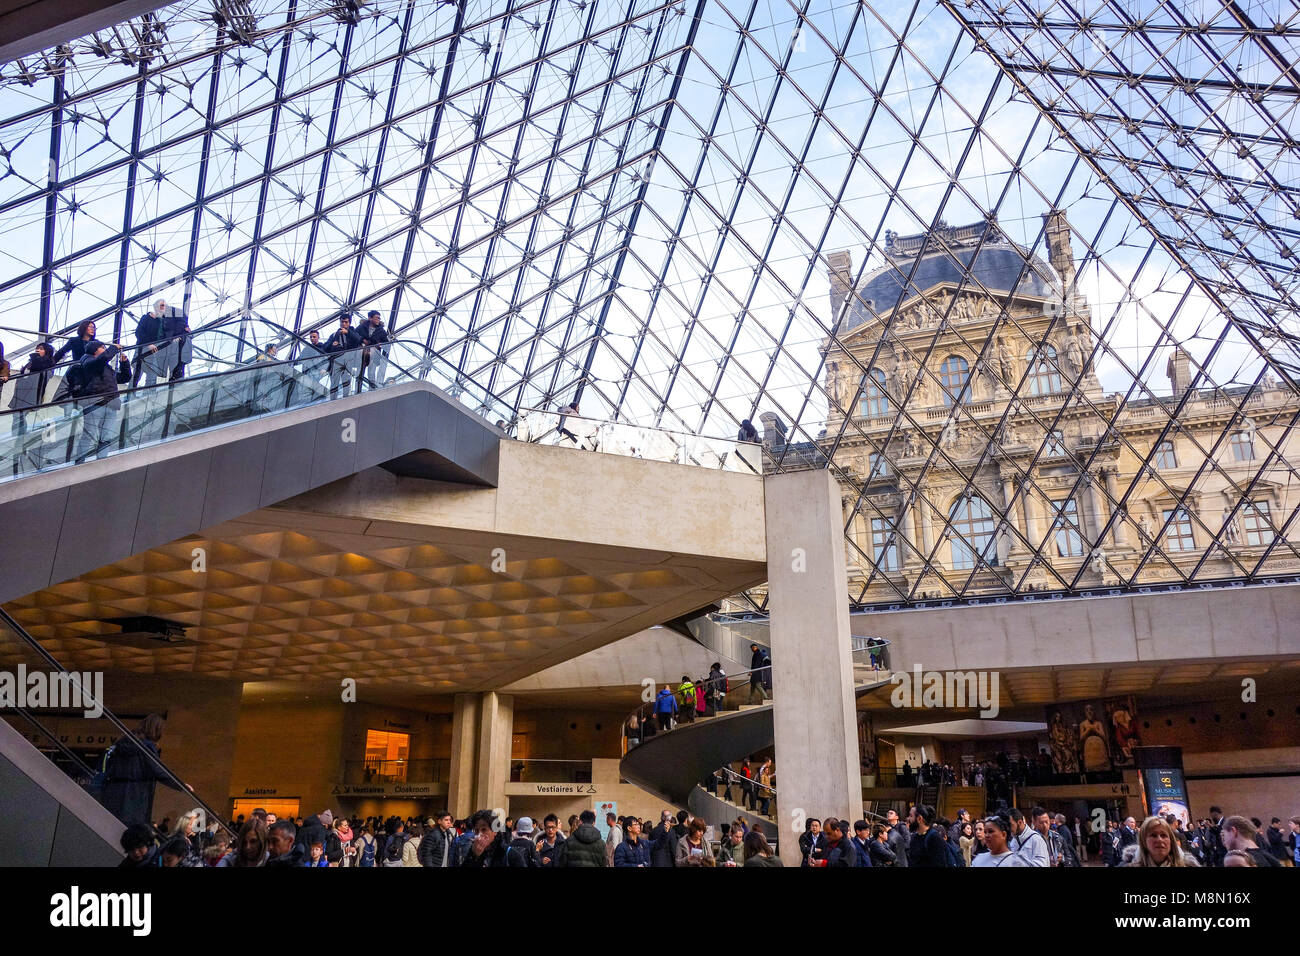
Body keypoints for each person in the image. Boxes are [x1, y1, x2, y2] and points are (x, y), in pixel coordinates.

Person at [99, 714, 185, 827]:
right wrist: (181, 786)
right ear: (156, 730)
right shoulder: (147, 747)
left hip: (112, 795)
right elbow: (158, 771)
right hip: (134, 799)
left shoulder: (122, 743)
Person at [72, 340, 131, 462]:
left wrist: (125, 363)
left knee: (106, 435)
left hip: (110, 403)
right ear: (94, 349)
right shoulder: (88, 362)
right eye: (102, 347)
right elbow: (102, 359)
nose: (105, 349)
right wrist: (113, 348)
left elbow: (124, 377)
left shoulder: (105, 367)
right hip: (95, 402)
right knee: (90, 434)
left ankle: (101, 460)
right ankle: (80, 461)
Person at [1122, 815, 1199, 867]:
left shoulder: (1188, 864)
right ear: (1144, 841)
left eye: (1164, 835)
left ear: (1171, 840)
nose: (1159, 840)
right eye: (1153, 835)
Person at [323, 314, 362, 396]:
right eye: (342, 322)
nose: (344, 324)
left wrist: (348, 333)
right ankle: (333, 401)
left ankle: (345, 399)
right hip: (336, 362)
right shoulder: (334, 335)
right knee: (334, 383)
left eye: (346, 322)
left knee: (346, 383)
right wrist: (332, 345)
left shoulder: (353, 333)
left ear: (349, 323)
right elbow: (325, 348)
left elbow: (358, 340)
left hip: (347, 362)